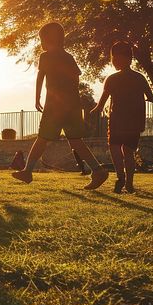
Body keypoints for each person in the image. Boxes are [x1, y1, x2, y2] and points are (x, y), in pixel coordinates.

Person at [12, 22, 108, 189]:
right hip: (72, 105)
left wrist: (37, 97)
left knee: (42, 138)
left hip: (55, 105)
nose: (41, 43)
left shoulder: (46, 56)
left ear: (48, 39)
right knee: (76, 141)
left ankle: (27, 171)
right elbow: (76, 78)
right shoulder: (68, 57)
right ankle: (98, 170)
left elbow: (40, 77)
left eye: (42, 39)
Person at [90, 41, 153, 193]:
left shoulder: (128, 78)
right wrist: (97, 109)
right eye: (113, 58)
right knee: (124, 150)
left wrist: (98, 109)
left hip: (125, 120)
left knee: (121, 150)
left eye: (117, 58)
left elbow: (149, 95)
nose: (114, 61)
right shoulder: (135, 77)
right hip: (123, 120)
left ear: (129, 58)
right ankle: (125, 180)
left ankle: (125, 180)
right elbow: (103, 100)